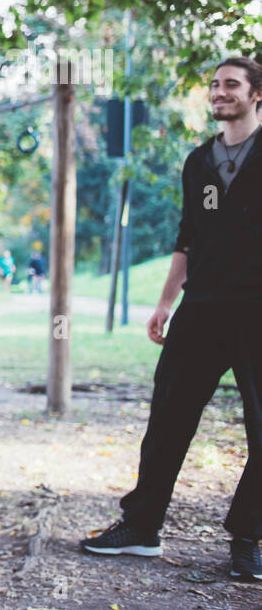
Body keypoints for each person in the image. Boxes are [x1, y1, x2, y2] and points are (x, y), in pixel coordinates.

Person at [81, 56, 262, 582]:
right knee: (167, 422)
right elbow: (189, 237)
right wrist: (165, 302)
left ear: (256, 95)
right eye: (214, 85)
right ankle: (141, 529)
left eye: (231, 85)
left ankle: (247, 537)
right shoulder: (199, 162)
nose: (219, 92)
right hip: (201, 309)